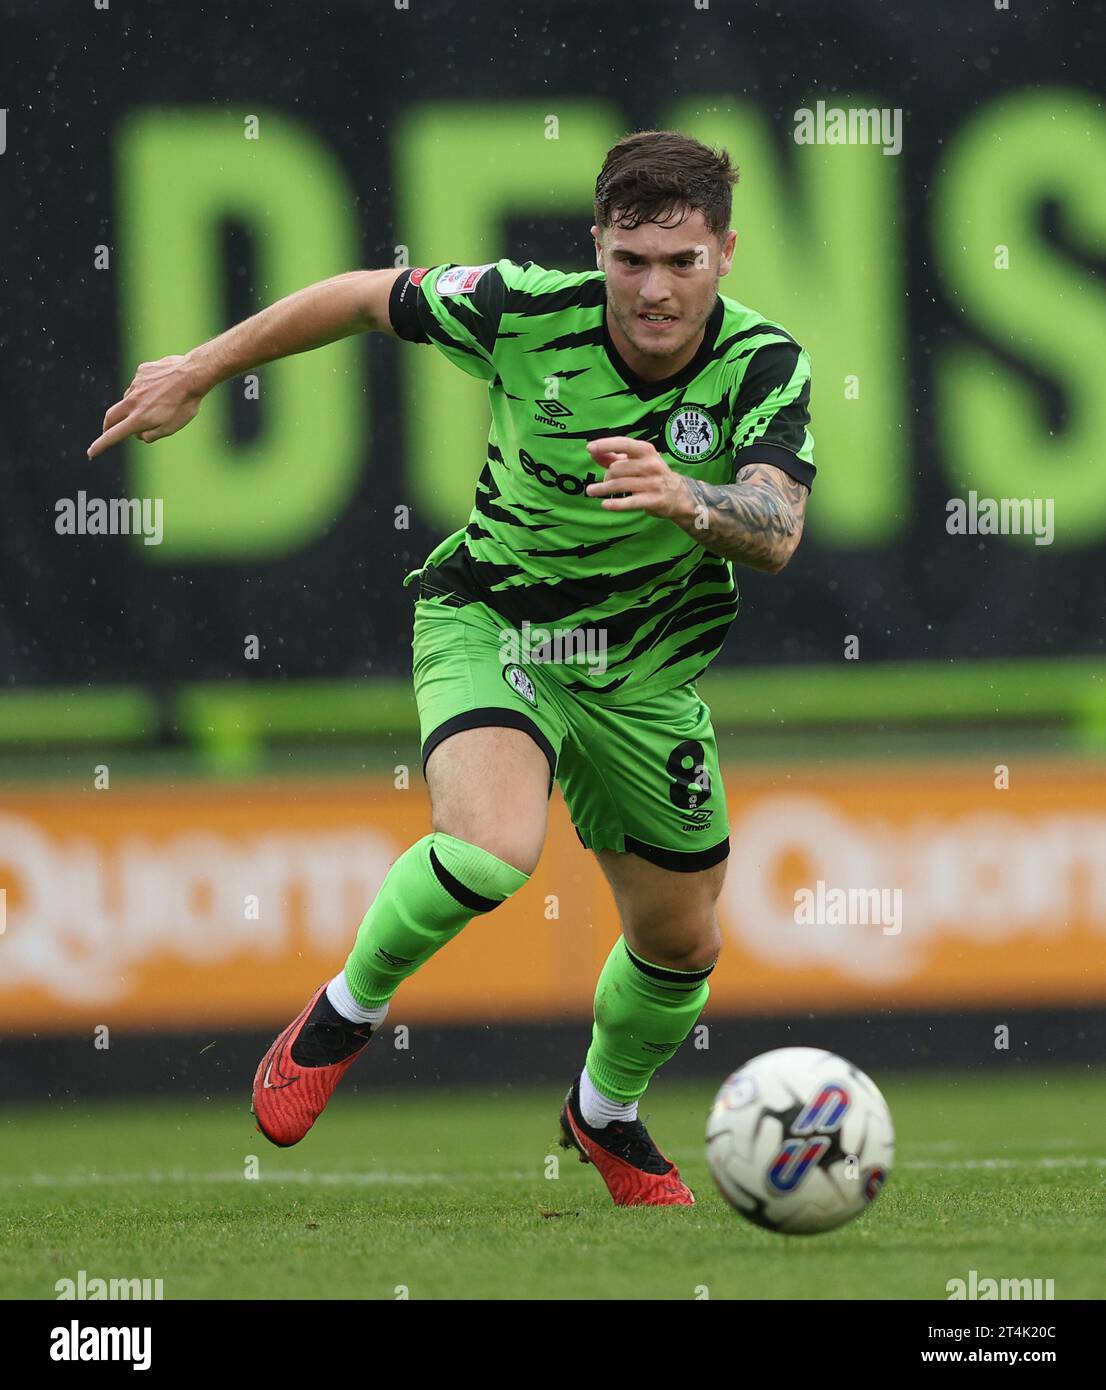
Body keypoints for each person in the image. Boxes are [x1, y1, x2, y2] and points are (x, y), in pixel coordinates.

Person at [89, 129, 814, 1206]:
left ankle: (603, 1113)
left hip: (643, 671)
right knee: (488, 850)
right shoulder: (522, 307)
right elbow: (356, 295)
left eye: (681, 262)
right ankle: (343, 1012)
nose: (653, 290)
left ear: (725, 252)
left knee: (681, 942)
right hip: (496, 621)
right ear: (597, 248)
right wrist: (202, 367)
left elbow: (778, 524)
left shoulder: (763, 362)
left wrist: (688, 497)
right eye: (629, 260)